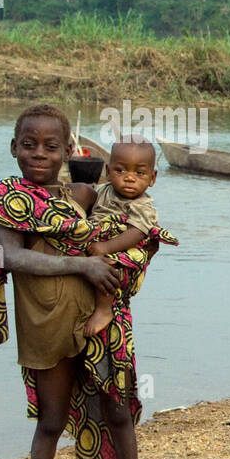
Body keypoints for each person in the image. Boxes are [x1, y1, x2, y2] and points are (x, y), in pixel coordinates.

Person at [0, 104, 170, 459]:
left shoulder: (83, 195)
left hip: (104, 318)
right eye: (28, 144)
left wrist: (116, 252)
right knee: (50, 421)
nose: (39, 153)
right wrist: (82, 265)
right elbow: (10, 257)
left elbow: (136, 218)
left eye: (50, 146)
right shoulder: (8, 198)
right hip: (45, 322)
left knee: (118, 411)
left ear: (67, 151)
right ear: (13, 148)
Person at [83, 138, 178, 336]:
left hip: (123, 247)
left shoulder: (143, 206)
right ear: (108, 172)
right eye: (120, 171)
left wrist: (106, 247)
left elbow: (137, 231)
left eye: (139, 173)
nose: (129, 178)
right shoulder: (102, 191)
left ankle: (104, 309)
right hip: (100, 239)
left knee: (108, 265)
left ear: (152, 178)